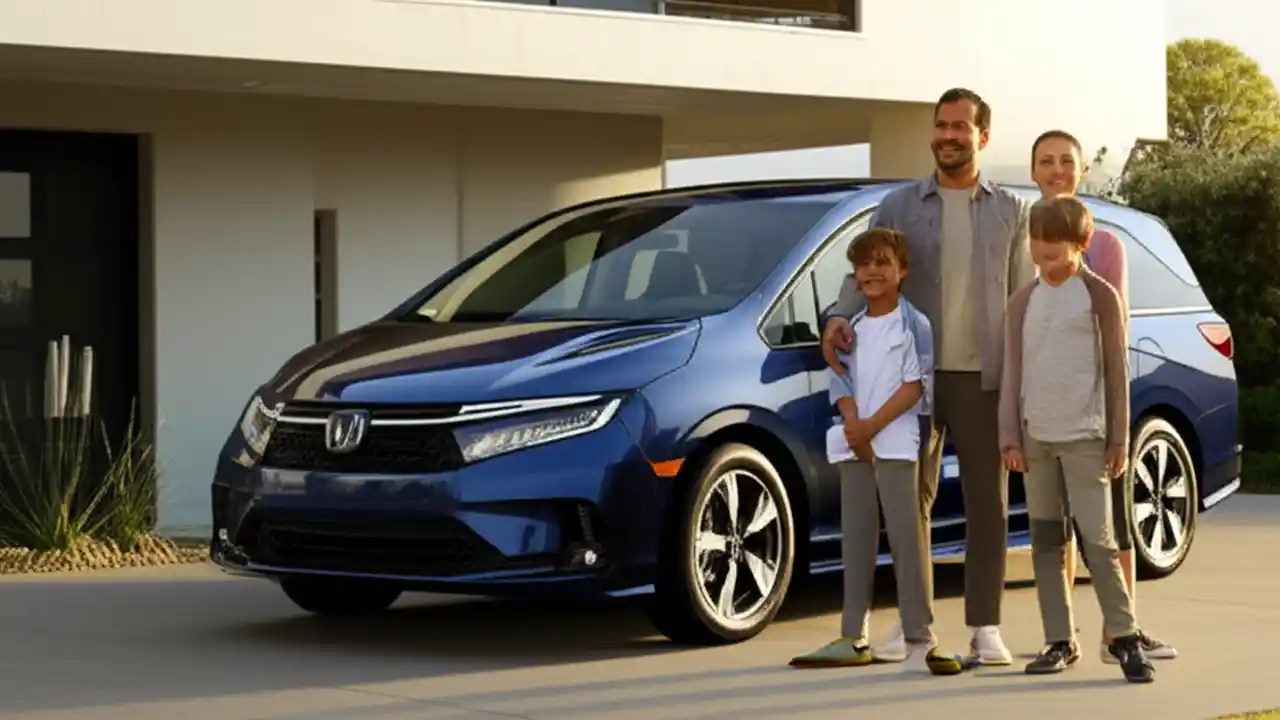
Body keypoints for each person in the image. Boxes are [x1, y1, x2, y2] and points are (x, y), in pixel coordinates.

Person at [821, 87, 1034, 666]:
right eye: (940, 125)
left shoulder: (1011, 211)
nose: (947, 135)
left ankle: (985, 625)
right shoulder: (898, 206)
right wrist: (838, 316)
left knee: (986, 502)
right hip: (906, 375)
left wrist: (1021, 382)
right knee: (906, 499)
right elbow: (860, 269)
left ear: (982, 136)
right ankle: (915, 625)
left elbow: (1022, 299)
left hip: (980, 377)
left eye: (959, 127)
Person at [1029, 129, 1177, 663]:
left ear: (1081, 167)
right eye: (1046, 162)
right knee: (1052, 532)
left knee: (1106, 530)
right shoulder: (1022, 241)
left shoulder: (1107, 243)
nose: (1056, 170)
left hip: (1088, 413)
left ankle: (1119, 636)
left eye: (1066, 161)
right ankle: (1061, 637)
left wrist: (1113, 424)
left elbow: (1112, 334)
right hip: (1042, 413)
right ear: (1033, 171)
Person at [791, 228, 963, 676]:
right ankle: (853, 634)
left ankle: (921, 637)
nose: (873, 271)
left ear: (901, 270)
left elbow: (915, 387)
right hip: (854, 445)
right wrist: (853, 425)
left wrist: (872, 426)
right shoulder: (851, 329)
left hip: (897, 445)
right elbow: (839, 378)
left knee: (907, 539)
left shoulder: (914, 325)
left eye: (883, 263)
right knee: (857, 536)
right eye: (865, 265)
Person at [998, 195, 1155, 683]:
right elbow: (1012, 373)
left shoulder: (1099, 296)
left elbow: (1115, 372)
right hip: (1036, 438)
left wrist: (1118, 439)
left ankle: (1125, 637)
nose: (1044, 248)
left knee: (1099, 540)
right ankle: (1060, 639)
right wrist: (1010, 437)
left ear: (1082, 243)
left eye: (1056, 241)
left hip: (1086, 438)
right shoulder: (1023, 300)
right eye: (1038, 239)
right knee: (1046, 541)